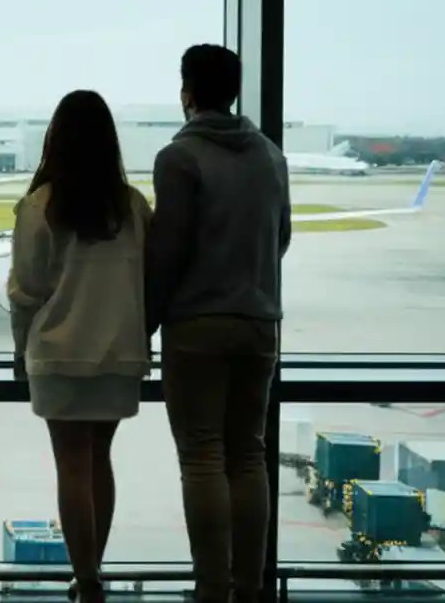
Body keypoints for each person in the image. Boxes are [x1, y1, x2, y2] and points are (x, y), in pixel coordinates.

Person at [146, 44, 291, 603]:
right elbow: (281, 238)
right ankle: (250, 589)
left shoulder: (179, 158)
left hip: (197, 326)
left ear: (186, 92)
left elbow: (168, 254)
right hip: (258, 322)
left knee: (203, 456)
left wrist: (146, 322)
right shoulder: (270, 156)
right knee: (248, 454)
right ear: (233, 91)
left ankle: (211, 590)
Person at [8, 89, 154, 603]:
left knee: (70, 465)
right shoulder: (133, 207)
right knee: (100, 460)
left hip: (57, 354)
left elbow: (26, 291)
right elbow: (150, 282)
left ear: (55, 140)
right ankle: (94, 571)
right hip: (119, 354)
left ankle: (87, 578)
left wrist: (18, 353)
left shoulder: (39, 207)